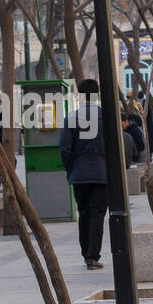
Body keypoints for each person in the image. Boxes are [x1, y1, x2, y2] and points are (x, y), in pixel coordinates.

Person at [61, 78, 107, 270]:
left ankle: (86, 253)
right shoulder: (106, 116)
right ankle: (92, 256)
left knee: (84, 212)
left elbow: (64, 148)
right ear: (97, 94)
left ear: (80, 95)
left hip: (79, 174)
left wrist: (71, 169)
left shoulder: (71, 117)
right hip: (102, 173)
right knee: (97, 214)